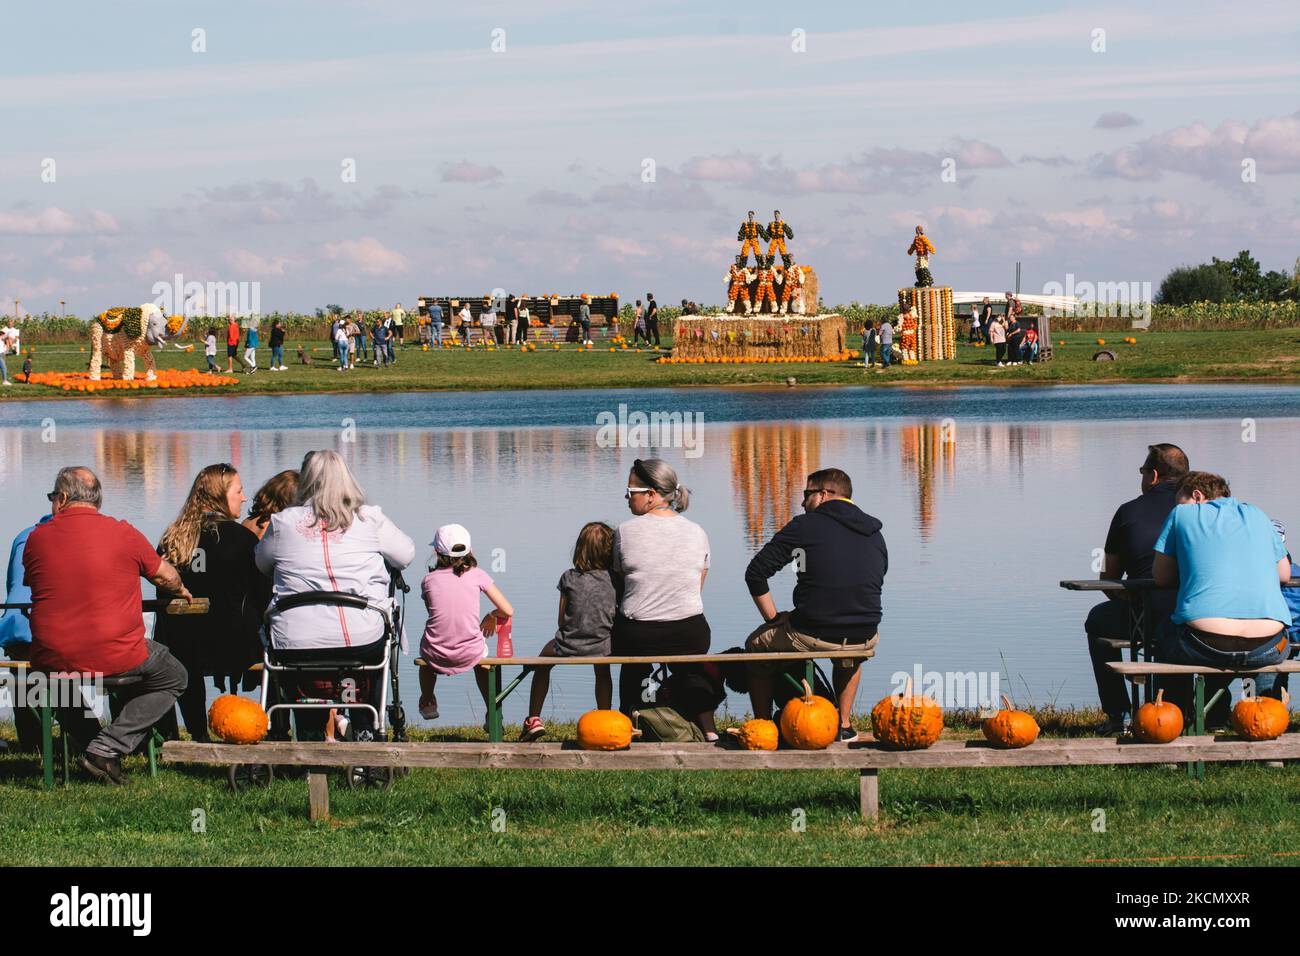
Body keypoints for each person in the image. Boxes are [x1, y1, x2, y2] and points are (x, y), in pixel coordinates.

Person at [23, 467, 191, 784]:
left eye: (51, 498)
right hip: (118, 654)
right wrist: (179, 588)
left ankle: (97, 749)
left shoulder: (36, 539)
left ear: (61, 499)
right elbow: (167, 576)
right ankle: (105, 748)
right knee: (174, 676)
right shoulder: (123, 533)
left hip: (52, 655)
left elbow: (33, 581)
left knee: (57, 680)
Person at [254, 450, 415, 739]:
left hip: (295, 638)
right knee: (370, 647)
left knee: (302, 664)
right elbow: (406, 554)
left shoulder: (283, 523)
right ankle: (366, 727)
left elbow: (262, 563)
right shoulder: (368, 519)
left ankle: (309, 732)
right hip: (359, 636)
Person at [743, 468, 887, 740]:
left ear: (822, 495)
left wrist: (773, 619)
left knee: (755, 647)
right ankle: (844, 726)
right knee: (849, 654)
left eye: (806, 494)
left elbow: (755, 572)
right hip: (865, 634)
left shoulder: (804, 526)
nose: (801, 502)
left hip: (813, 630)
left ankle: (763, 727)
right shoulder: (874, 532)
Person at [1152, 471, 1293, 722]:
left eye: (1179, 499)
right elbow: (1283, 573)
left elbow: (1161, 577)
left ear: (1196, 496)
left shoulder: (1182, 514)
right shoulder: (1258, 514)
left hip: (1204, 643)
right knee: (1263, 644)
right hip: (1269, 646)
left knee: (1163, 632)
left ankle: (1175, 722)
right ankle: (1267, 723)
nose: (1176, 506)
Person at [153, 464, 264, 742]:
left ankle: (197, 731)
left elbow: (161, 598)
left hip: (182, 649)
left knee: (182, 639)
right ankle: (274, 727)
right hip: (238, 648)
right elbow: (263, 596)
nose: (244, 497)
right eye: (238, 491)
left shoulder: (172, 539)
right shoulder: (243, 540)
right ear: (219, 496)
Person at [1084, 443, 1188, 733]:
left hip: (1147, 614)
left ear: (1153, 475)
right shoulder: (1204, 512)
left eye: (1142, 472)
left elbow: (1109, 578)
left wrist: (1132, 597)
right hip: (1199, 616)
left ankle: (1119, 715)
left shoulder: (1128, 511)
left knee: (1097, 621)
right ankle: (1208, 711)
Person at [611, 458, 716, 738]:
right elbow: (695, 587)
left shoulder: (624, 531)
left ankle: (628, 722)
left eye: (631, 490)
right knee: (692, 669)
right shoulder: (698, 532)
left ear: (651, 494)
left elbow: (622, 584)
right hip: (690, 631)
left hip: (638, 635)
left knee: (633, 666)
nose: (626, 496)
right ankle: (708, 728)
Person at [520, 522, 617, 741]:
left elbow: (561, 619)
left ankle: (533, 718)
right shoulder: (613, 579)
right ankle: (603, 717)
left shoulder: (569, 577)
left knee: (542, 664)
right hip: (603, 645)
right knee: (603, 672)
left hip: (568, 644)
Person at [417, 524, 514, 722]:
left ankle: (428, 701)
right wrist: (491, 616)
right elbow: (508, 610)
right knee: (482, 659)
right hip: (469, 651)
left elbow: (436, 615)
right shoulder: (478, 574)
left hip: (436, 653)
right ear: (470, 550)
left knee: (425, 660)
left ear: (436, 551)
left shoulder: (428, 580)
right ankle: (492, 711)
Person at [0, 514, 53, 750]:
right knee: (59, 682)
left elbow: (12, 584)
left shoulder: (23, 536)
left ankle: (32, 740)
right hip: (45, 630)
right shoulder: (67, 539)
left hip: (15, 625)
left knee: (24, 681)